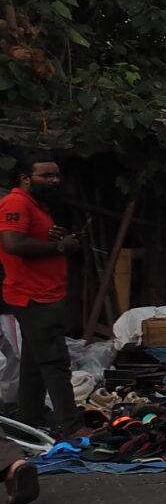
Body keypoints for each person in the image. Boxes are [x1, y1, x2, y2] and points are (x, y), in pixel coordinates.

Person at [1, 156, 79, 440]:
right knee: (55, 362)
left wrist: (53, 239)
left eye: (56, 176)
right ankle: (73, 427)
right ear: (25, 178)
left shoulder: (36, 207)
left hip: (44, 294)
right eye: (46, 176)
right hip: (34, 297)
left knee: (34, 361)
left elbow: (28, 239)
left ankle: (30, 419)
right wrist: (59, 246)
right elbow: (13, 244)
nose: (54, 181)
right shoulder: (17, 203)